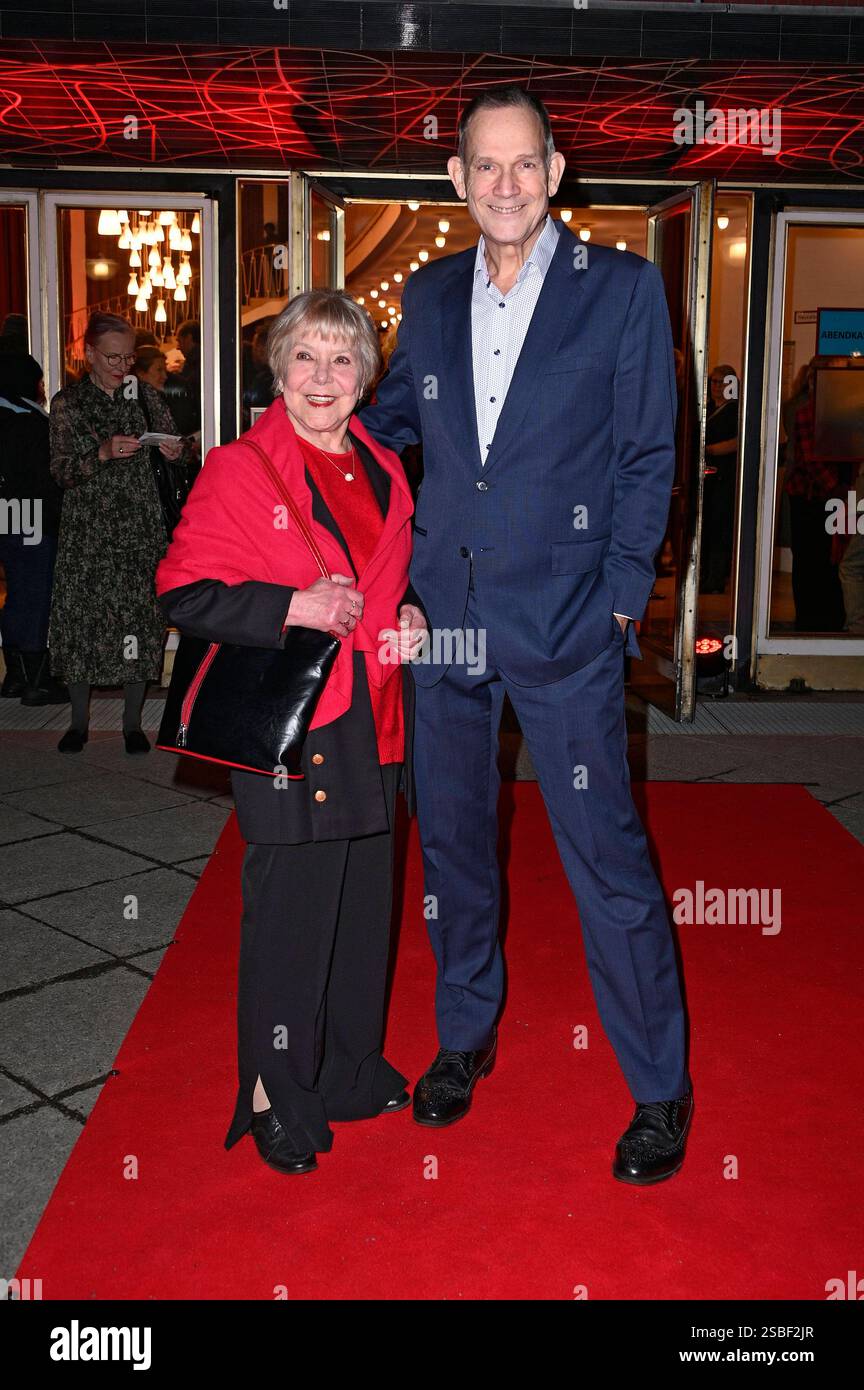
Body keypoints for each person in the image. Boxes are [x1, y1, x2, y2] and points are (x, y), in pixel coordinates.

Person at [359, 84, 693, 1185]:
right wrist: (320, 418)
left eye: (525, 164)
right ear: (457, 181)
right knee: (454, 848)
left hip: (567, 627)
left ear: (558, 175)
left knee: (607, 860)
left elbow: (649, 459)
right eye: (484, 166)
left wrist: (616, 601)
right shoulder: (434, 288)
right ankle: (464, 1036)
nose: (505, 184)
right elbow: (400, 421)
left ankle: (657, 1086)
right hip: (445, 622)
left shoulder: (625, 291)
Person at [155, 289, 427, 1175]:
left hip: (375, 717)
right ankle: (274, 1092)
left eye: (341, 359)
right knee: (290, 917)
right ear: (278, 370)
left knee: (361, 908)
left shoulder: (385, 464)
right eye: (304, 358)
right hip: (293, 724)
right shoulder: (243, 467)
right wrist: (290, 606)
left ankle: (347, 1070)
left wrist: (413, 612)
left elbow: (388, 579)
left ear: (366, 376)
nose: (322, 378)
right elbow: (181, 591)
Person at [47, 311, 188, 754]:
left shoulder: (145, 395)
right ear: (88, 354)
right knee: (81, 622)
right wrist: (102, 453)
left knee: (138, 619)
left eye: (128, 358)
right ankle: (78, 722)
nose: (121, 366)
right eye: (112, 357)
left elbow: (178, 453)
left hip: (140, 526)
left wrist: (173, 450)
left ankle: (132, 724)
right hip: (86, 529)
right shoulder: (68, 403)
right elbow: (61, 471)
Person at [0, 349, 67, 704]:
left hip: (7, 513)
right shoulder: (28, 420)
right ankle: (39, 681)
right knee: (36, 593)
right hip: (30, 514)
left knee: (16, 592)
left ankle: (15, 674)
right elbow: (45, 478)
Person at [784, 355, 847, 631]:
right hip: (810, 498)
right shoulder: (808, 411)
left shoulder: (835, 409)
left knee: (825, 560)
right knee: (811, 559)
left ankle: (823, 619)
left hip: (826, 496)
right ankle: (811, 620)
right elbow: (812, 460)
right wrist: (841, 489)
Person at [700, 363, 740, 594]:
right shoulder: (706, 407)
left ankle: (716, 578)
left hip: (724, 476)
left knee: (720, 528)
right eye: (714, 382)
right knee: (706, 528)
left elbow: (738, 441)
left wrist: (711, 450)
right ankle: (704, 575)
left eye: (722, 382)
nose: (717, 386)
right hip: (706, 478)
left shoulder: (735, 411)